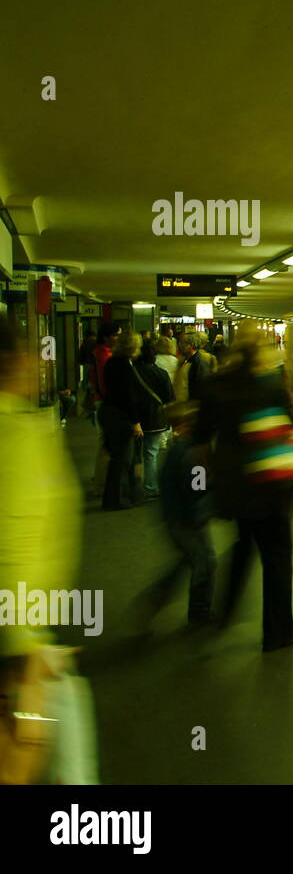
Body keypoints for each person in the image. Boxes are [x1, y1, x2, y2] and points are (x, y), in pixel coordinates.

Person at [0, 317, 82, 782]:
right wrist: (27, 650)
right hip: (16, 641)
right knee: (24, 749)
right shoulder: (21, 437)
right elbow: (18, 541)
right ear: (13, 362)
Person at [194, 334, 293, 651]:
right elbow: (290, 430)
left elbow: (201, 441)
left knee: (245, 544)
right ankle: (278, 632)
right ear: (260, 357)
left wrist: (213, 476)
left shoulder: (214, 386)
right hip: (271, 485)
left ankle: (224, 614)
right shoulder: (271, 386)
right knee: (278, 557)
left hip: (235, 487)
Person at [134, 403, 215, 626]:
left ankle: (160, 600)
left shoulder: (177, 450)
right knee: (205, 563)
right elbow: (198, 489)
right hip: (188, 520)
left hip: (175, 518)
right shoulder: (191, 452)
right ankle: (198, 612)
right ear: (184, 426)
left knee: (189, 562)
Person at [99, 330, 146, 510]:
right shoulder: (125, 365)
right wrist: (136, 422)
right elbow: (127, 396)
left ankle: (111, 498)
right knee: (121, 459)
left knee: (115, 458)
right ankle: (116, 500)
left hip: (108, 411)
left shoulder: (112, 362)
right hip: (119, 416)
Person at [132, 340, 174, 499]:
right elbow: (169, 398)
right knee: (150, 454)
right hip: (156, 419)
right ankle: (150, 487)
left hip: (135, 419)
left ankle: (134, 487)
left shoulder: (132, 372)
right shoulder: (161, 374)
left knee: (135, 456)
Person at [86, 322, 119, 495]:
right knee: (106, 443)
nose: (117, 338)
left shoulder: (99, 352)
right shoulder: (104, 356)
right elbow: (104, 382)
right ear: (106, 336)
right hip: (105, 401)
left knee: (105, 442)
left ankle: (101, 480)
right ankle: (100, 484)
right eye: (115, 335)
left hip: (101, 400)